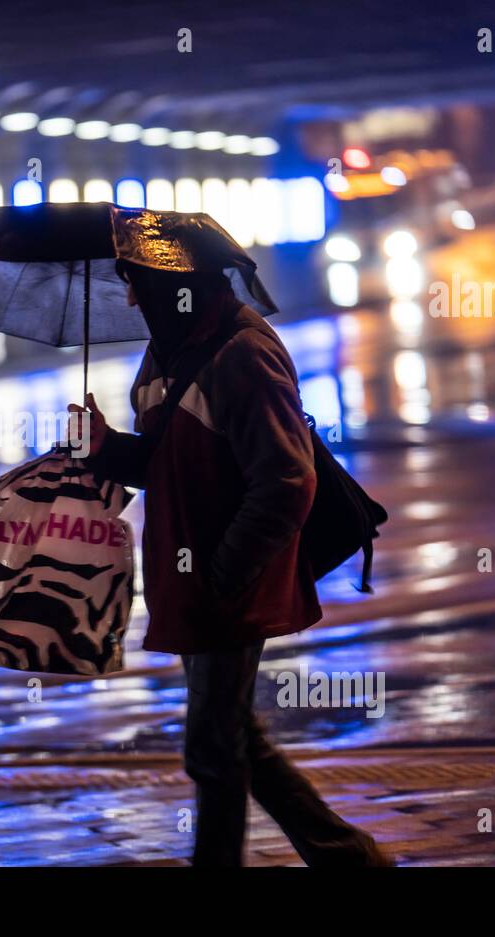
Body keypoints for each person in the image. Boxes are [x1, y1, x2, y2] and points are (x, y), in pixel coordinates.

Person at [69, 262, 391, 867]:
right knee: (235, 738)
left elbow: (286, 479)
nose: (132, 297)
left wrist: (225, 572)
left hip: (227, 583)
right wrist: (108, 447)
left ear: (173, 281)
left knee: (212, 747)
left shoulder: (243, 353)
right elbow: (167, 464)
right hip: (190, 581)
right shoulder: (165, 352)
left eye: (137, 281)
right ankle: (348, 856)